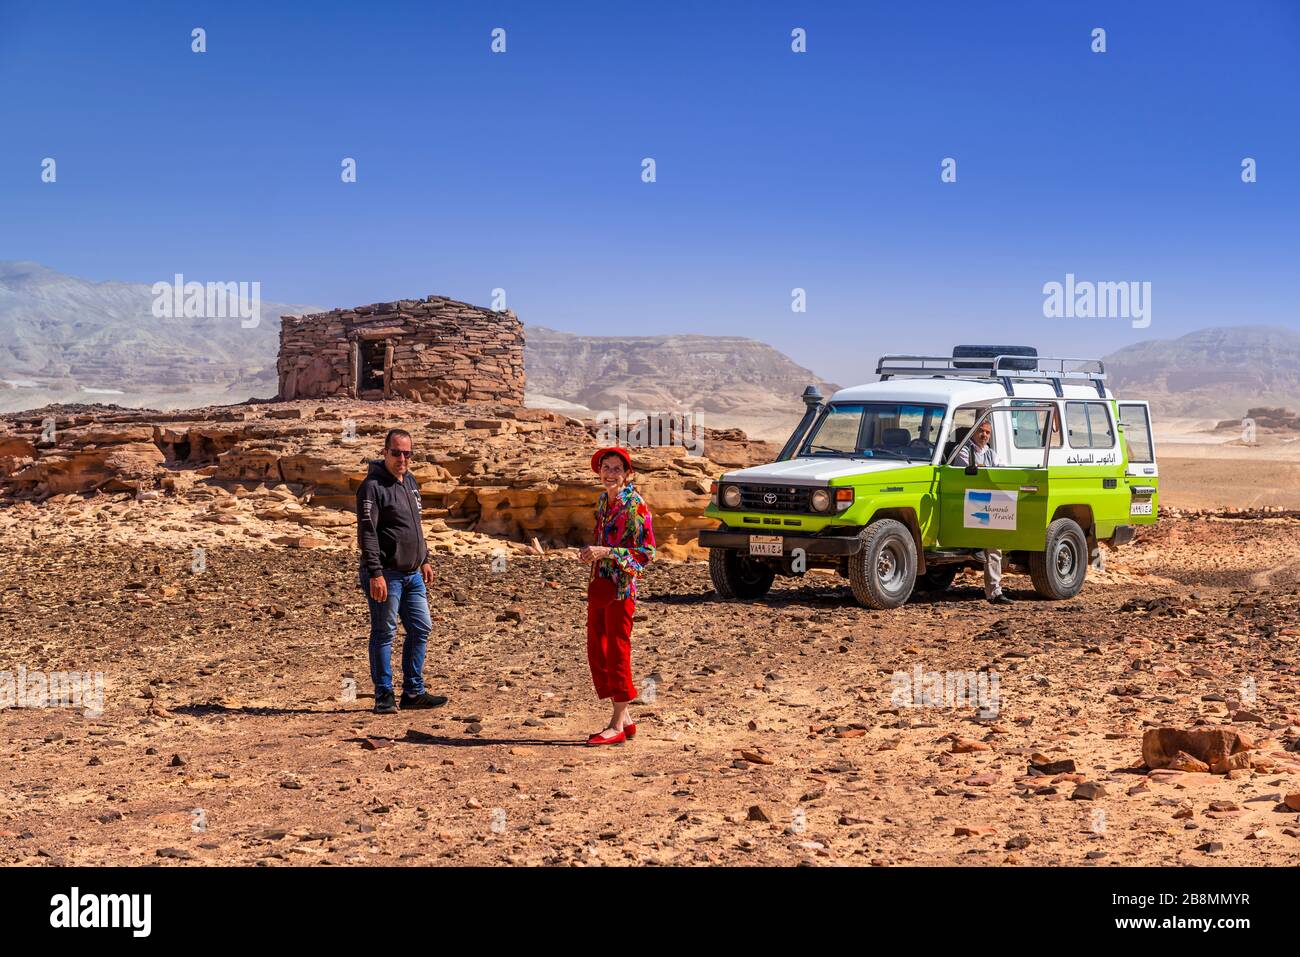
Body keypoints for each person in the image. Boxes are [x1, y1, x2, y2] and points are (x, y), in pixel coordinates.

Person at [356, 428, 448, 713]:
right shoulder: (372, 487)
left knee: (421, 628)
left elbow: (414, 525)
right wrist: (375, 573)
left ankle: (413, 692)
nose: (402, 458)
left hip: (412, 574)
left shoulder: (410, 481)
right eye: (396, 453)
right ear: (384, 452)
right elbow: (367, 532)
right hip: (387, 573)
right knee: (385, 632)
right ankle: (384, 694)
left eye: (407, 453)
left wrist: (425, 558)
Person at [577, 447, 656, 745]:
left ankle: (616, 726)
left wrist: (607, 552)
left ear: (627, 473)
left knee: (617, 650)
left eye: (616, 469)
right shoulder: (603, 500)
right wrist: (591, 553)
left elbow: (646, 553)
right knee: (597, 647)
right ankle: (627, 719)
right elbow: (603, 541)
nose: (610, 473)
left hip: (621, 589)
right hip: (599, 584)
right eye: (605, 467)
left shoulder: (635, 505)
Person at [954, 419, 1014, 605]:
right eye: (981, 431)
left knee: (995, 545)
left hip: (987, 503)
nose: (984, 435)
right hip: (965, 503)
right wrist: (988, 472)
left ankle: (995, 592)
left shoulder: (991, 454)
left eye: (987, 432)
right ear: (973, 432)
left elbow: (1003, 472)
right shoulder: (963, 450)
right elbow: (970, 472)